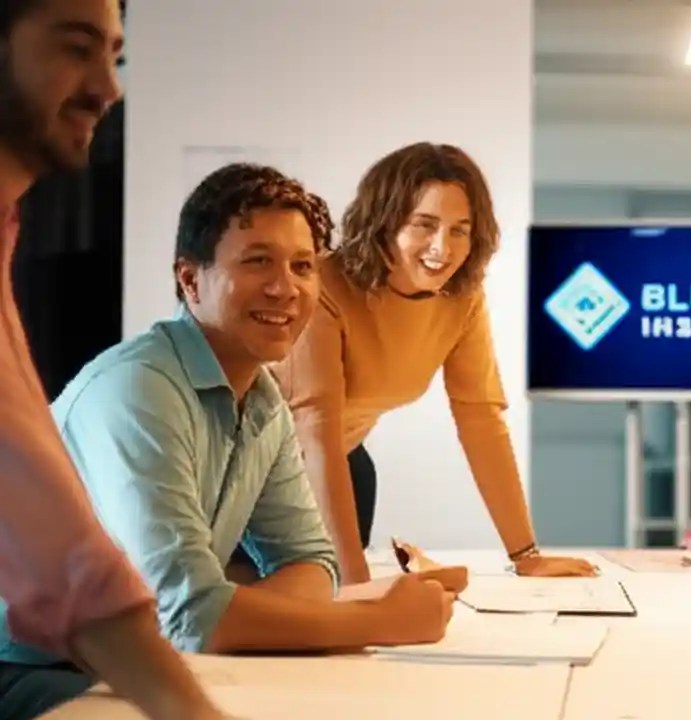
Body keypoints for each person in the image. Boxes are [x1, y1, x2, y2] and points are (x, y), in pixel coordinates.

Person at [0, 164, 459, 687]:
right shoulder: (138, 389)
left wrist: (221, 615)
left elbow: (312, 563)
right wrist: (382, 622)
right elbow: (193, 621)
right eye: (258, 261)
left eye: (303, 266)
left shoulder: (261, 397)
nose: (285, 288)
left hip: (126, 662)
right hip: (30, 670)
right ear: (190, 280)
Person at [0, 1, 222, 718]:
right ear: (190, 276)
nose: (109, 85)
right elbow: (55, 543)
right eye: (76, 47)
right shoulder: (141, 383)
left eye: (115, 54)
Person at [274, 142, 593, 584]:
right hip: (261, 478)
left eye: (460, 230)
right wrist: (355, 584)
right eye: (424, 225)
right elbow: (315, 427)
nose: (443, 248)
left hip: (345, 467)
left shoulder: (461, 299)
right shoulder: (322, 285)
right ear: (383, 222)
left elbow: (481, 418)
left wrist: (527, 556)